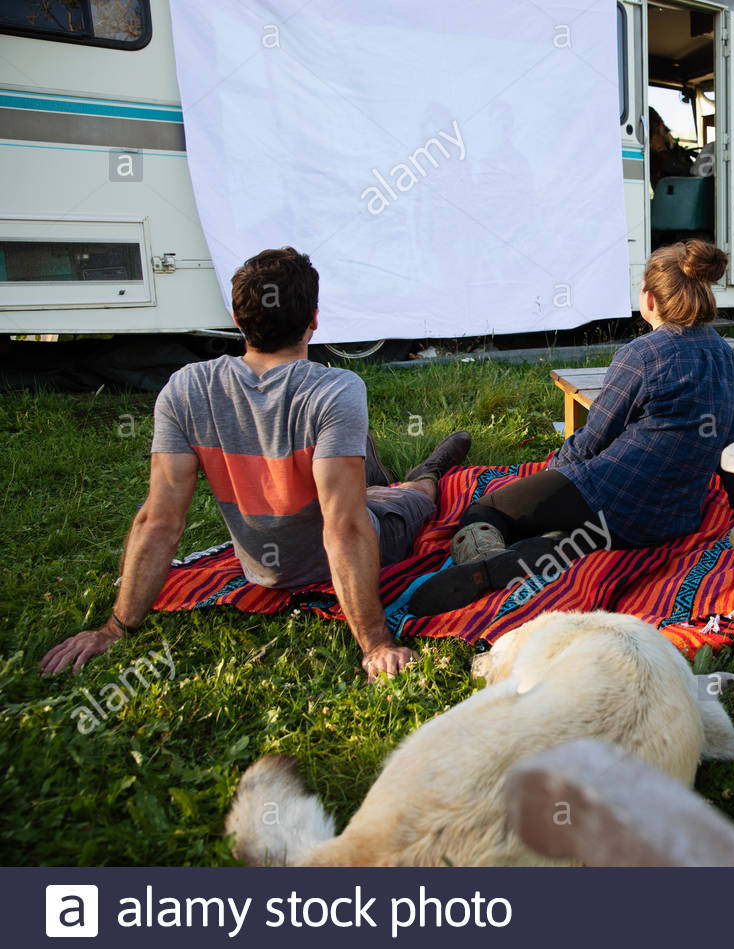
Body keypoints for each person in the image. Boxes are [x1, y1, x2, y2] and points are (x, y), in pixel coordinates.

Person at [40, 247, 470, 681]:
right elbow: (345, 528)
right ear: (314, 319)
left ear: (236, 317)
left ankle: (372, 480)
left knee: (347, 457)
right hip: (355, 538)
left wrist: (116, 627)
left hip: (262, 570)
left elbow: (158, 521)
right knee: (414, 495)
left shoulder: (186, 388)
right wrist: (376, 643)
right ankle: (431, 467)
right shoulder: (336, 389)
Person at [411, 240, 734, 616]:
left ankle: (481, 564)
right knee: (563, 530)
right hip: (672, 521)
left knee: (488, 512)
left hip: (611, 496)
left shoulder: (641, 354)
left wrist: (551, 475)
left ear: (649, 299)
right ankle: (545, 548)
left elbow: (592, 438)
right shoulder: (726, 356)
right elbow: (729, 439)